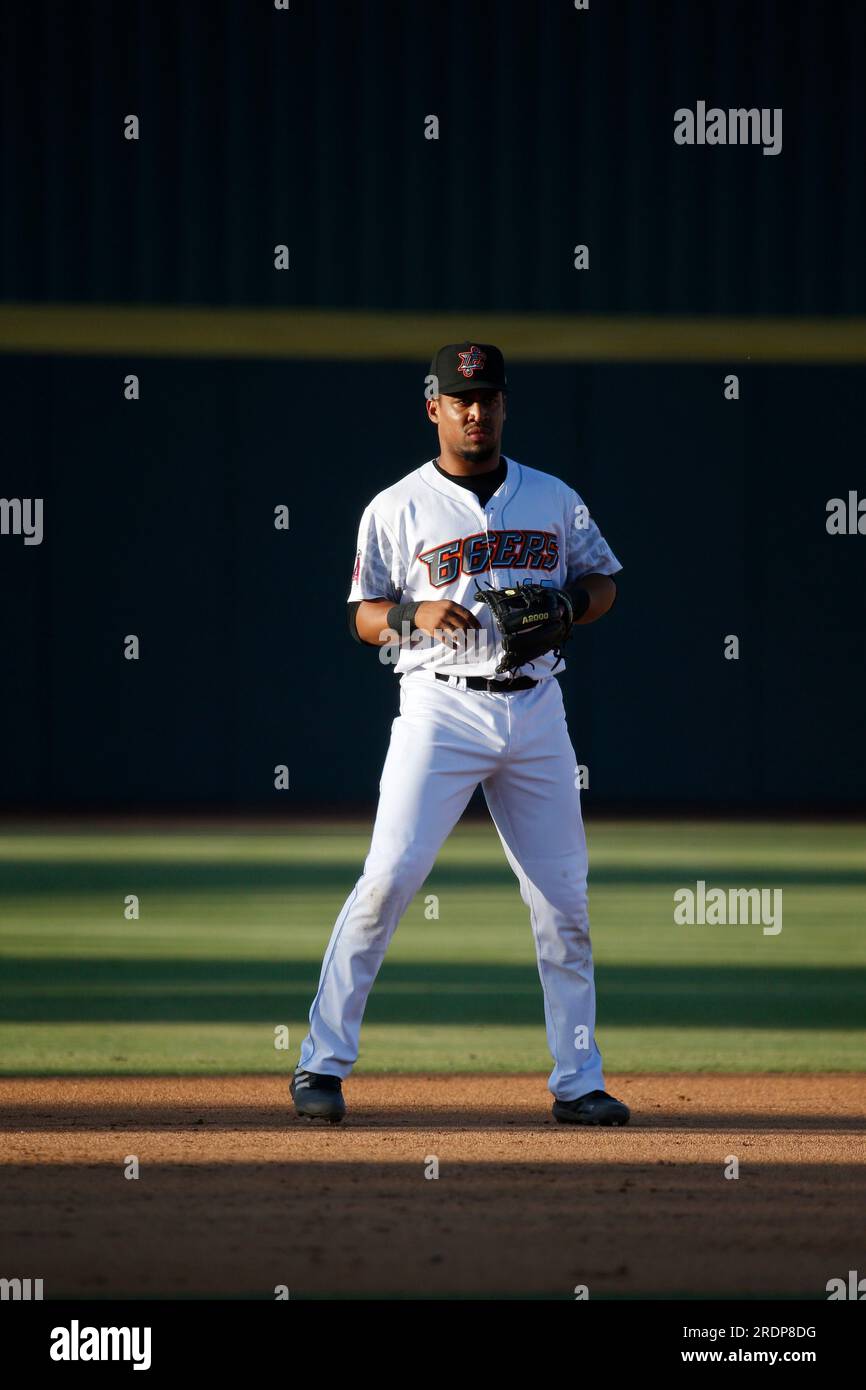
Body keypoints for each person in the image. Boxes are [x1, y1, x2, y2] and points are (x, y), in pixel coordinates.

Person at [291, 342, 629, 1127]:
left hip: (537, 708)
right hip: (439, 705)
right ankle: (321, 1063)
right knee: (386, 881)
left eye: (487, 397)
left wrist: (572, 609)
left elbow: (603, 580)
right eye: (459, 398)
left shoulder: (553, 497)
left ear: (504, 404)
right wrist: (413, 614)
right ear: (433, 406)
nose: (474, 411)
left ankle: (578, 1081)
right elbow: (361, 614)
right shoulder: (397, 505)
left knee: (564, 905)